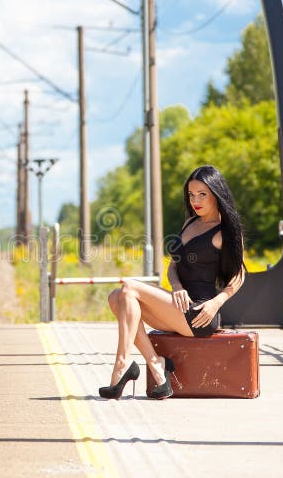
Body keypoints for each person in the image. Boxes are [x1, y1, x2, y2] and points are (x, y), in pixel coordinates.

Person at [101, 165, 245, 399]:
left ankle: (121, 364)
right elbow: (173, 266)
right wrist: (177, 287)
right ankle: (157, 365)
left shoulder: (226, 231)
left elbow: (239, 275)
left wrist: (216, 303)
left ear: (216, 194)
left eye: (202, 194)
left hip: (199, 312)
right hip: (178, 306)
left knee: (129, 287)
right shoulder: (190, 223)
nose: (195, 200)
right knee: (117, 297)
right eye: (191, 195)